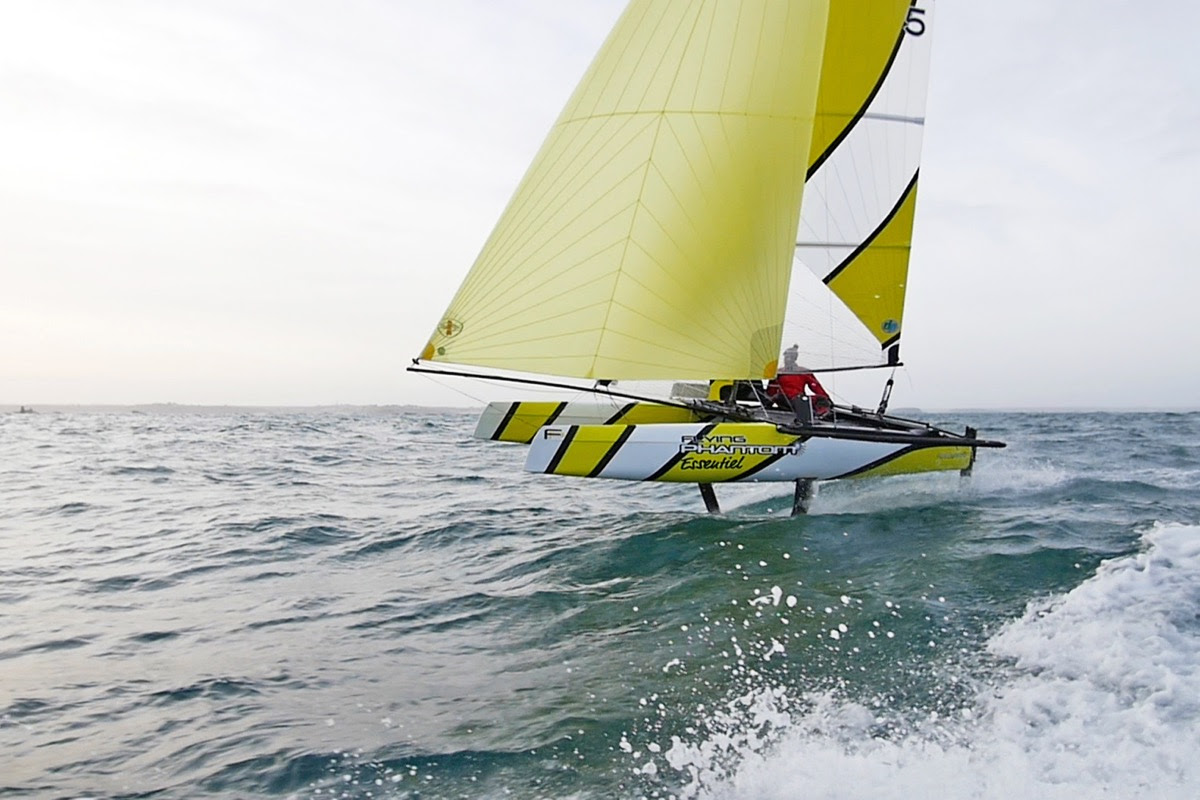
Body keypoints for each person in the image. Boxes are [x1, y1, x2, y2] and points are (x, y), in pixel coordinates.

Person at [765, 345, 831, 416]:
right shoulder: (779, 373)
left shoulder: (803, 371)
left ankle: (820, 414)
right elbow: (771, 390)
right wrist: (768, 401)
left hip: (799, 399)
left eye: (790, 357)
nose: (788, 359)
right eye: (786, 357)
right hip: (784, 400)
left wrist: (826, 398)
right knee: (778, 396)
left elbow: (816, 387)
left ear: (795, 358)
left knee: (820, 399)